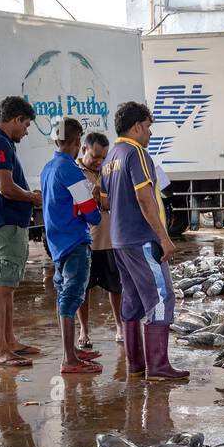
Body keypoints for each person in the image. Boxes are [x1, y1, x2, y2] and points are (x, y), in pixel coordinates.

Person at [100, 101, 187, 381]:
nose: (150, 133)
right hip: (141, 239)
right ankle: (159, 366)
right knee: (161, 297)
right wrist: (164, 237)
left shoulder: (110, 156)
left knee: (133, 300)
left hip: (120, 241)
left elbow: (102, 199)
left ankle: (135, 366)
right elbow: (145, 198)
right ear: (136, 126)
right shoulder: (137, 153)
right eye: (148, 127)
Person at [0, 95, 42, 367]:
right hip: (5, 223)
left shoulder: (0, 142)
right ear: (15, 119)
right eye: (25, 124)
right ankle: (1, 350)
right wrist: (31, 197)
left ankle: (10, 341)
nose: (26, 131)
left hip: (9, 222)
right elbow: (5, 186)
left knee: (8, 287)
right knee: (2, 287)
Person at [40, 116, 103, 375]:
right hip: (75, 241)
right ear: (77, 142)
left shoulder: (48, 168)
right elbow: (92, 214)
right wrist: (95, 199)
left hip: (56, 243)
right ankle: (69, 359)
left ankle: (71, 352)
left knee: (63, 296)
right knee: (70, 297)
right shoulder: (70, 171)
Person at [76, 131, 123, 348]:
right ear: (84, 149)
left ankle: (120, 327)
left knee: (116, 288)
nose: (99, 161)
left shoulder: (109, 170)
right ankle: (84, 331)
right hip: (86, 242)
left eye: (104, 156)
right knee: (83, 290)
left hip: (111, 241)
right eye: (95, 156)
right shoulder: (74, 172)